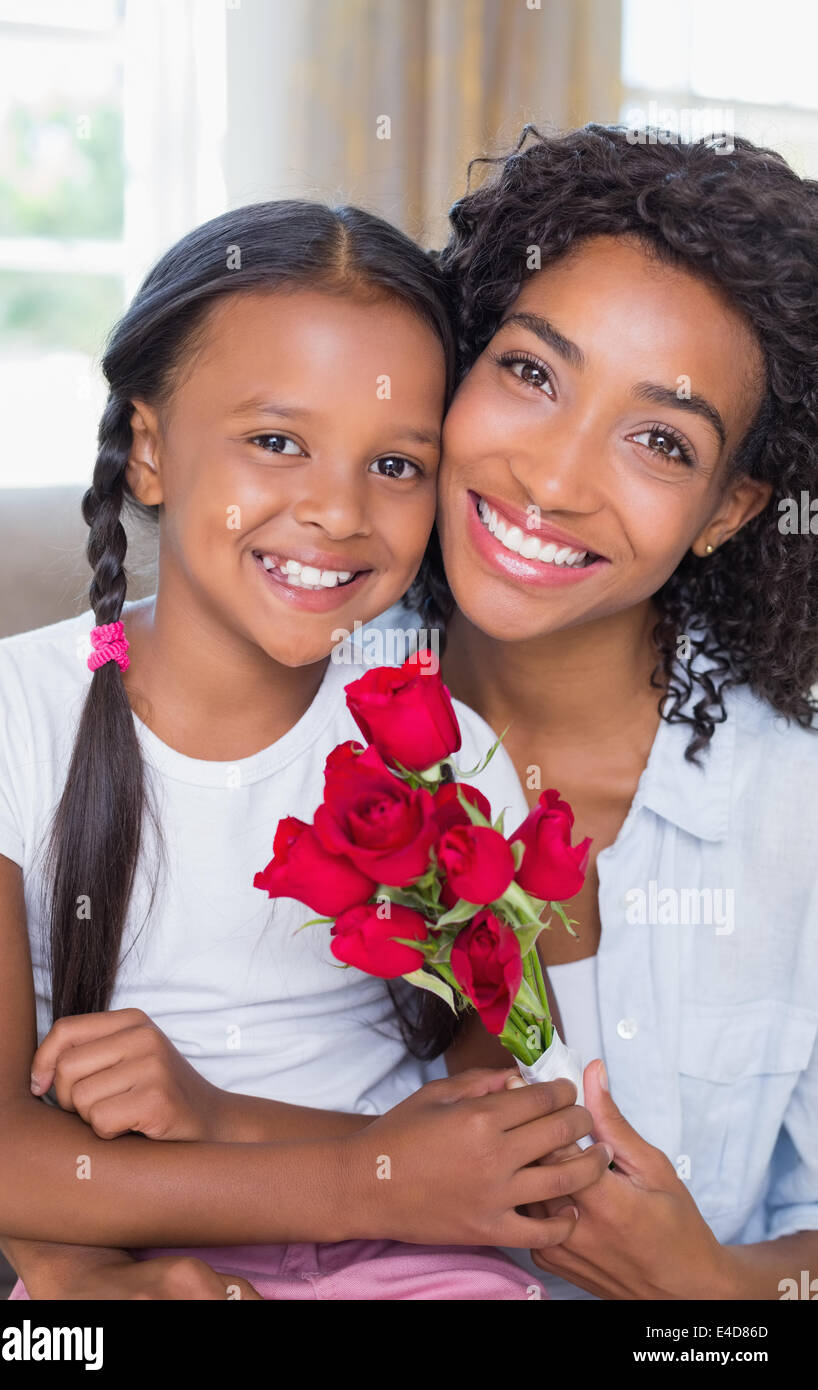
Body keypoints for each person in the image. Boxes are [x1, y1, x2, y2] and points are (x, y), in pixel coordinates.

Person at [0, 199, 610, 1301]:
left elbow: (489, 1126)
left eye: (395, 464)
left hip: (415, 1265)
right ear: (150, 450)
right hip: (134, 1256)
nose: (337, 511)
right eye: (276, 442)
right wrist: (359, 1177)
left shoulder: (444, 749)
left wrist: (288, 1151)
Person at [377, 122, 818, 1299]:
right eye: (529, 371)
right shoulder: (280, 690)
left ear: (725, 510)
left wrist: (712, 1285)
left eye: (658, 441)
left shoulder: (797, 809)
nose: (554, 480)